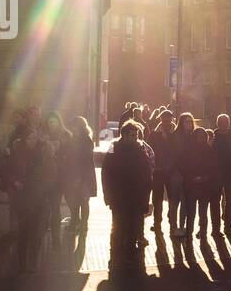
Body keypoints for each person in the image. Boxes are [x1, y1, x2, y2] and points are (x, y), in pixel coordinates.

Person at [102, 122, 152, 274]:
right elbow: (106, 172)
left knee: (132, 226)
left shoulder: (140, 148)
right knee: (118, 225)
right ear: (124, 134)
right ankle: (116, 255)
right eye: (132, 135)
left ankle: (129, 253)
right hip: (119, 195)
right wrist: (108, 195)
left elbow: (147, 172)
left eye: (136, 135)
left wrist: (146, 196)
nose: (135, 137)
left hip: (136, 195)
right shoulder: (113, 147)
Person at [3, 127, 50, 272]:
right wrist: (15, 181)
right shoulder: (17, 153)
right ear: (25, 139)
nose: (33, 141)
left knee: (36, 232)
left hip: (38, 197)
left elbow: (50, 172)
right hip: (23, 197)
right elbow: (6, 171)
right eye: (30, 138)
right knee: (24, 232)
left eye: (35, 138)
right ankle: (22, 262)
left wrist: (43, 186)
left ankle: (33, 261)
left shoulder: (44, 152)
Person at [43, 112, 72, 248]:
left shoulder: (66, 136)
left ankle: (55, 238)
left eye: (54, 122)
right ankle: (41, 233)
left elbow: (71, 156)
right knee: (44, 208)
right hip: (44, 178)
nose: (52, 125)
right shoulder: (42, 135)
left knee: (55, 207)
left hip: (58, 179)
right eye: (50, 122)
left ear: (59, 122)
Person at [65, 116, 97, 234]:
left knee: (83, 201)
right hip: (74, 176)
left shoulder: (86, 141)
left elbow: (86, 161)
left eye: (75, 126)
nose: (73, 129)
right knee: (74, 201)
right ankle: (75, 222)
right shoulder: (72, 139)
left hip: (84, 177)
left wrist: (80, 178)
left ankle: (83, 224)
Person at [168, 112, 195, 238]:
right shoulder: (175, 136)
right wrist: (176, 170)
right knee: (175, 201)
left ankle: (181, 226)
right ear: (181, 122)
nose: (189, 124)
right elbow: (174, 155)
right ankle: (173, 227)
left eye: (190, 121)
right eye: (186, 121)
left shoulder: (193, 136)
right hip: (177, 173)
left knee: (185, 202)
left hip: (189, 174)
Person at [149, 111, 176, 231]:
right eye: (164, 120)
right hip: (158, 171)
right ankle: (157, 222)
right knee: (157, 199)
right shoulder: (154, 134)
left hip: (172, 171)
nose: (166, 123)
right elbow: (150, 150)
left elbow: (177, 152)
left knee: (173, 197)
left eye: (168, 121)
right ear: (160, 120)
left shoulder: (175, 135)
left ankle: (172, 220)